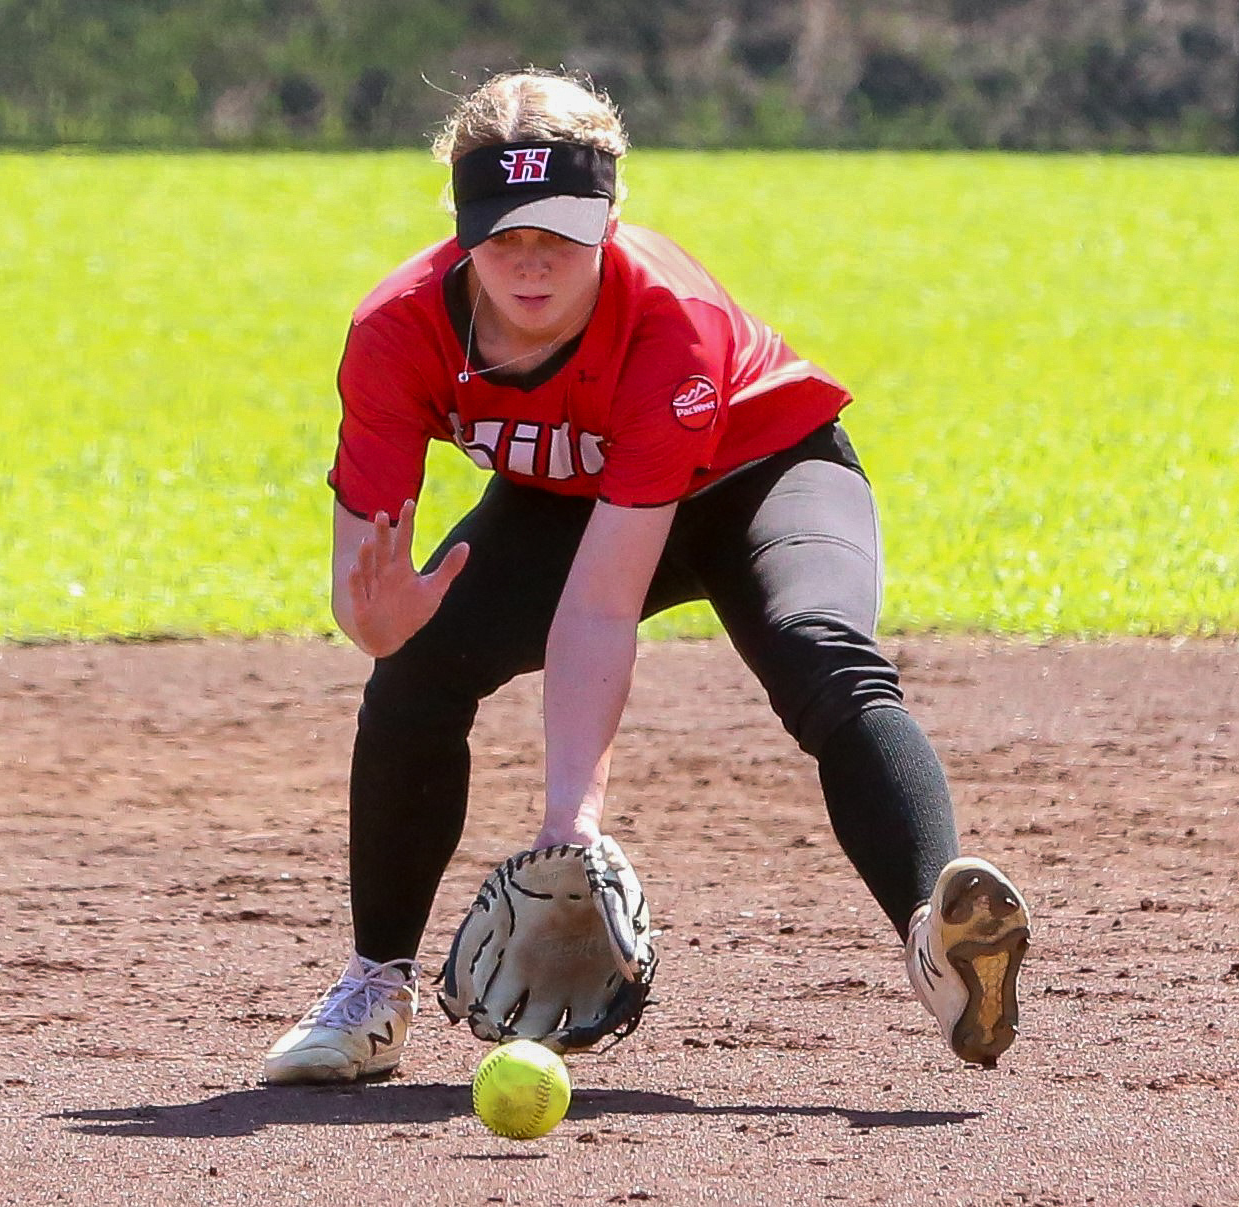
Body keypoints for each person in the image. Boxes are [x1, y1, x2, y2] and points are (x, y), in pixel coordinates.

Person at [261, 68, 1031, 1085]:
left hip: (766, 474)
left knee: (823, 656)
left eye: (561, 235)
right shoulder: (396, 333)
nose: (530, 263)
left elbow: (601, 605)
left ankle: (940, 935)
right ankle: (373, 989)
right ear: (458, 224)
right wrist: (378, 628)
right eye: (503, 235)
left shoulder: (667, 321)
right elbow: (363, 583)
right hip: (564, 495)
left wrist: (568, 824)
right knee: (413, 670)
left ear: (613, 217)